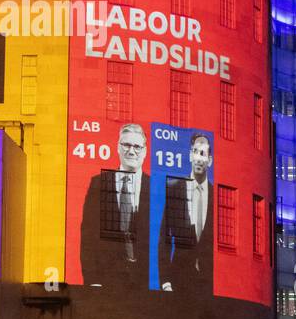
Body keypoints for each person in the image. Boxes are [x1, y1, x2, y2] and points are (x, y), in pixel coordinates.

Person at [79, 124, 152, 290]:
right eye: (126, 145)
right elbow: (88, 236)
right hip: (107, 281)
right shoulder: (99, 183)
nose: (131, 151)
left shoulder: (155, 186)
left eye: (137, 147)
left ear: (145, 151)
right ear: (118, 147)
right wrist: (93, 280)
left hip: (146, 283)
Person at [157, 133, 215, 297]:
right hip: (178, 281)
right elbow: (164, 237)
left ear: (209, 160)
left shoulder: (215, 195)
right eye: (195, 152)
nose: (198, 159)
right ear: (190, 156)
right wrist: (165, 281)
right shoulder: (174, 188)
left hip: (207, 285)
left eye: (203, 154)